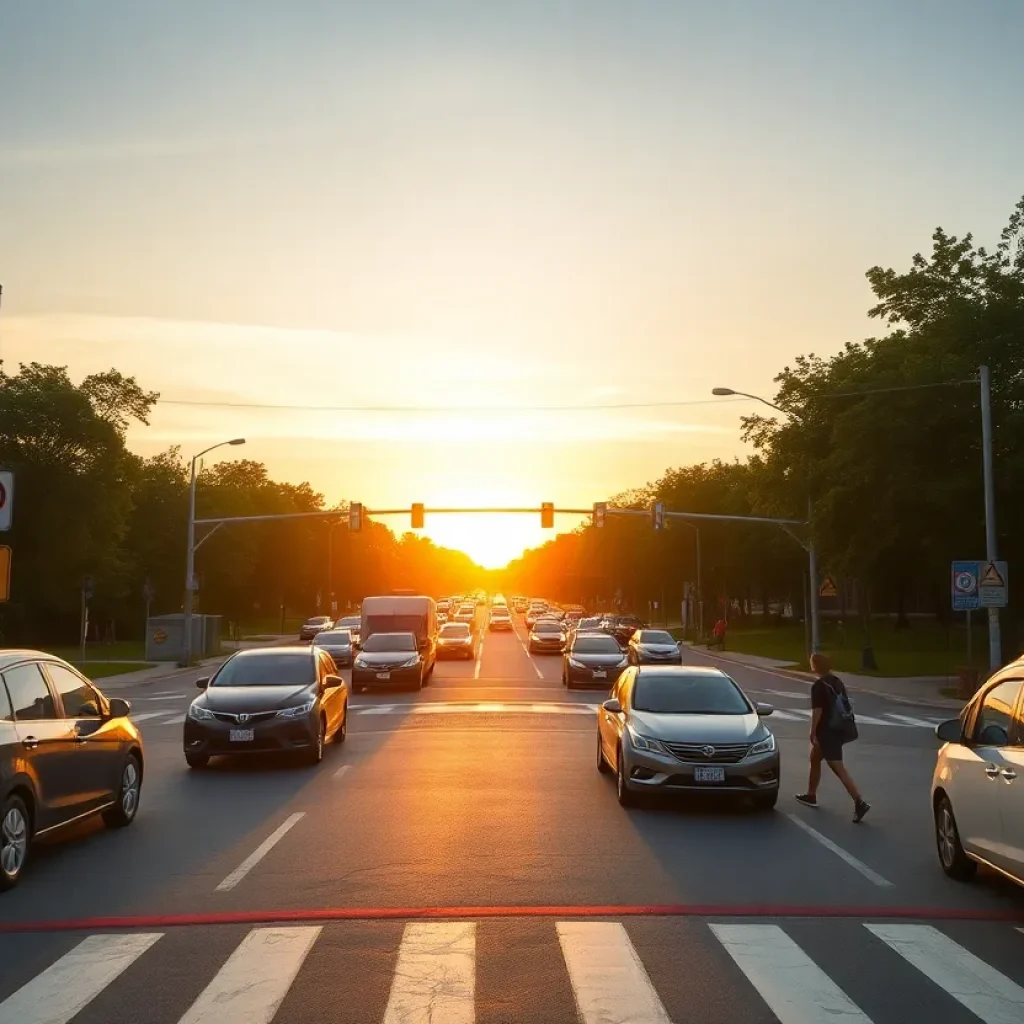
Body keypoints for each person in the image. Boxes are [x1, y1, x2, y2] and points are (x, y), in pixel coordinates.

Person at [796, 652, 870, 822]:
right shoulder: (837, 681)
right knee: (815, 757)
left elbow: (818, 711)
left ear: (815, 666)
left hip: (827, 731)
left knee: (838, 767)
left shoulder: (818, 686)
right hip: (839, 727)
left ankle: (859, 802)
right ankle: (811, 794)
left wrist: (812, 731)